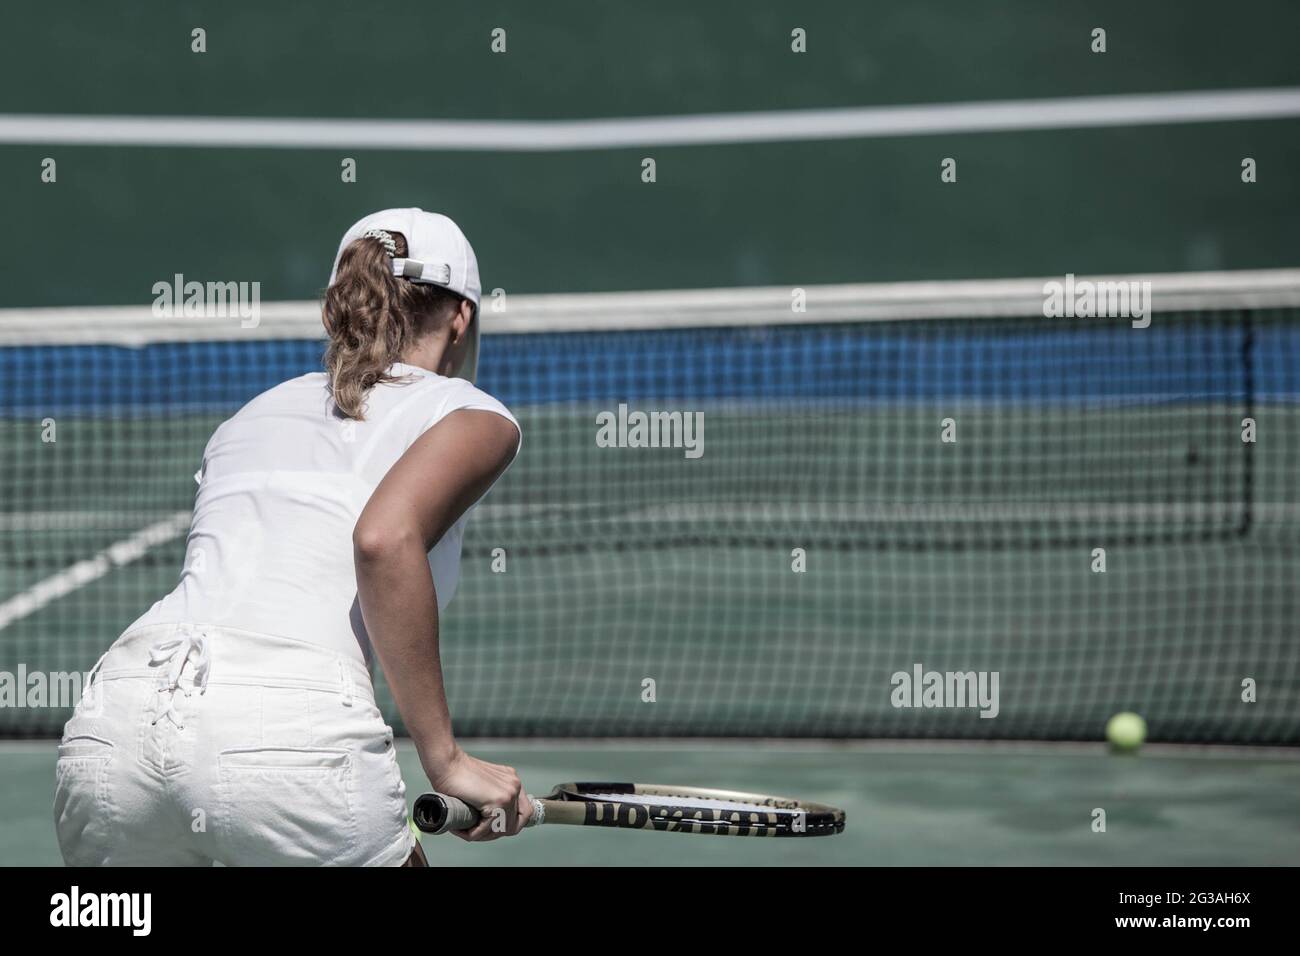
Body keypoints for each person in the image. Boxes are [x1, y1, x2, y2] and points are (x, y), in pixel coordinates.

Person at [53, 208, 531, 865]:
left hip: (114, 730)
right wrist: (445, 761)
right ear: (461, 317)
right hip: (286, 741)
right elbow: (384, 539)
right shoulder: (473, 414)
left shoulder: (248, 416)